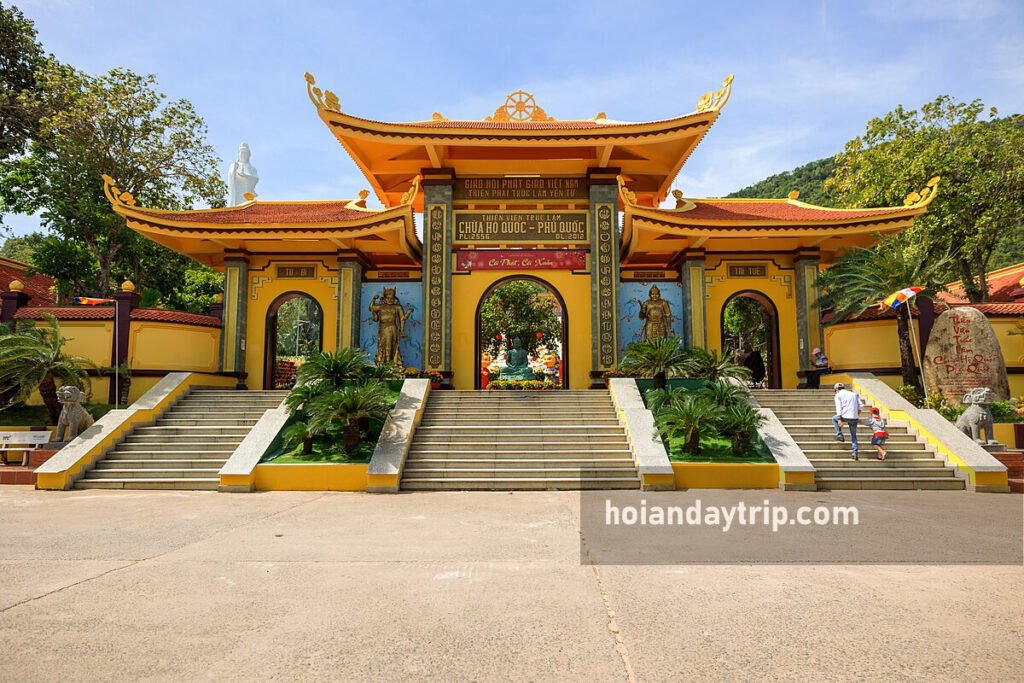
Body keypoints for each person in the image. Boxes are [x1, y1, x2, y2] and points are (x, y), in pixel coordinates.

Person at [832, 382, 861, 460]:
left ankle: (840, 435)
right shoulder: (853, 394)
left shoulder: (838, 395)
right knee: (853, 436)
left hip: (844, 416)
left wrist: (839, 419)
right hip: (854, 418)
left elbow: (839, 407)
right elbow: (861, 405)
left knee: (833, 419)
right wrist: (857, 414)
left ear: (836, 389)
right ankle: (855, 454)